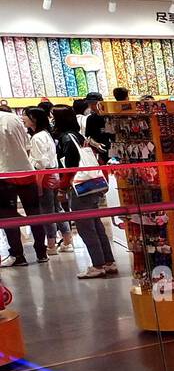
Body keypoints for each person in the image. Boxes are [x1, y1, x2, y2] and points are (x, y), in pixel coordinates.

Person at [51, 105, 114, 278]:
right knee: (96, 224)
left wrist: (63, 188)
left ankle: (98, 264)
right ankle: (108, 261)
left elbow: (70, 167)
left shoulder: (65, 138)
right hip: (93, 183)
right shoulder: (77, 135)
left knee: (86, 227)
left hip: (81, 187)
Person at [0, 107, 45, 268]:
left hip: (4, 174)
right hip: (26, 170)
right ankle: (42, 252)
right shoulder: (14, 119)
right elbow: (27, 146)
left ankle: (18, 255)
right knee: (35, 213)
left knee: (7, 216)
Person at [23, 107, 71, 254]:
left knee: (47, 212)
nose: (22, 118)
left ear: (34, 118)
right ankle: (67, 240)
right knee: (57, 209)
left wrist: (31, 163)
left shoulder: (37, 137)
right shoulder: (46, 134)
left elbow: (41, 162)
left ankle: (51, 244)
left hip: (43, 176)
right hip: (54, 174)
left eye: (25, 115)